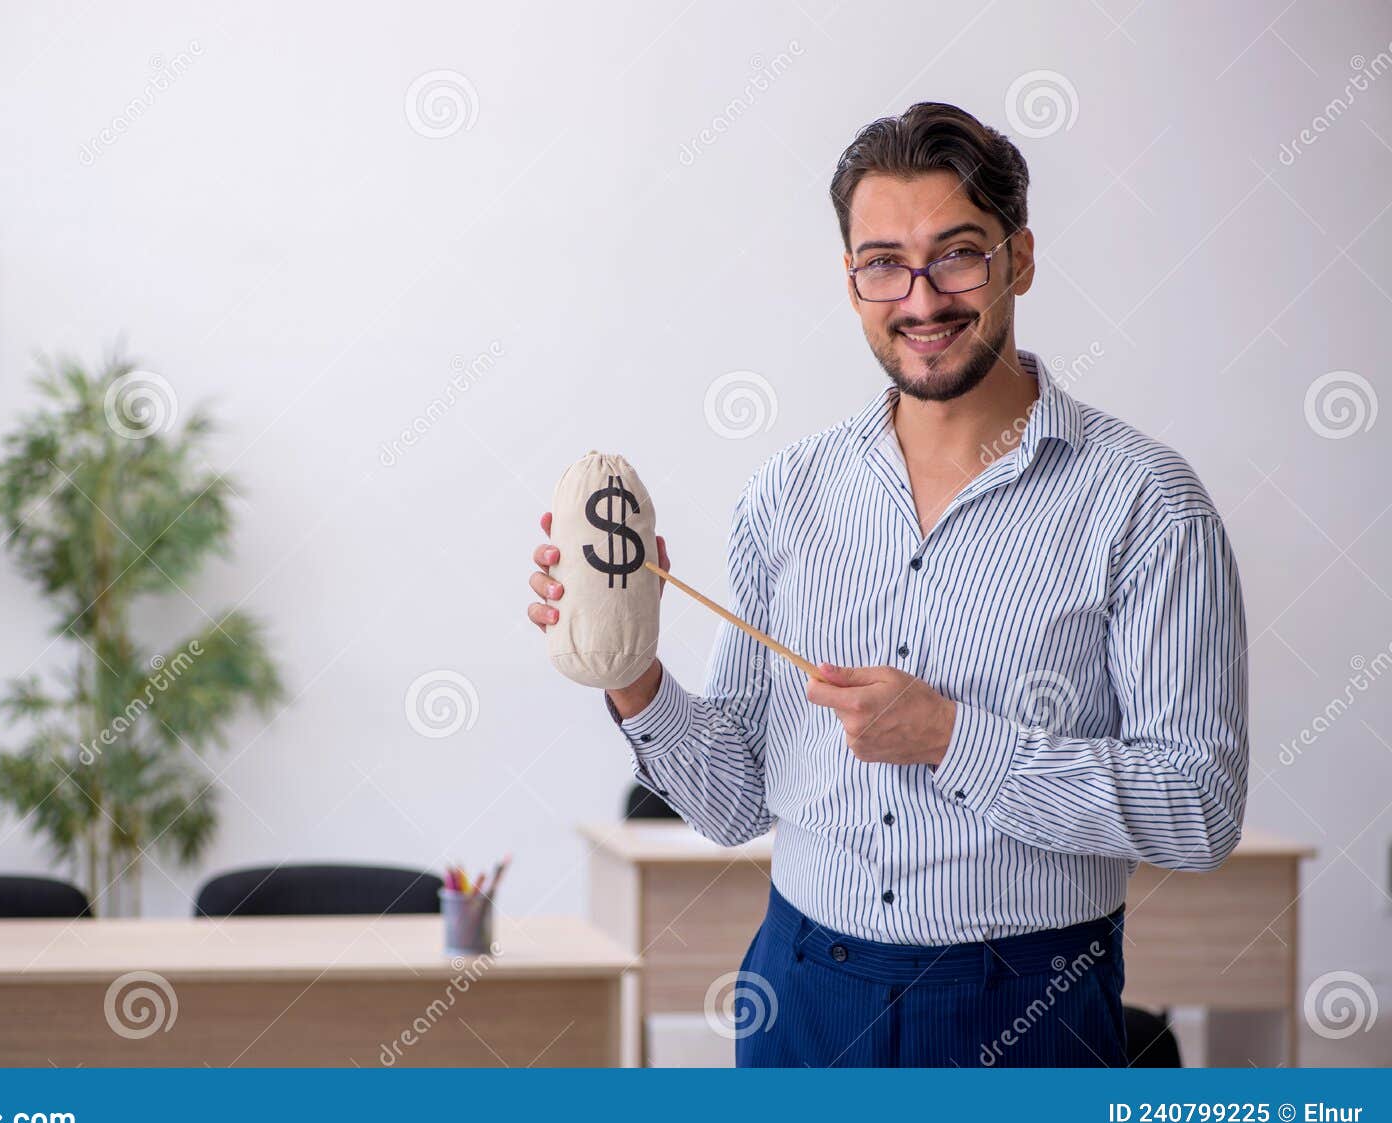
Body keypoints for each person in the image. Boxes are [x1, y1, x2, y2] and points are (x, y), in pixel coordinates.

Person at [526, 102, 1248, 1067]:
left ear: (1018, 259)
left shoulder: (1146, 504)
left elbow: (1199, 808)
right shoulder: (788, 494)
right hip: (800, 990)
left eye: (957, 254)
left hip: (1026, 1006)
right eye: (882, 263)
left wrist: (956, 739)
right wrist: (631, 671)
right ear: (852, 278)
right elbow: (736, 803)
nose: (921, 298)